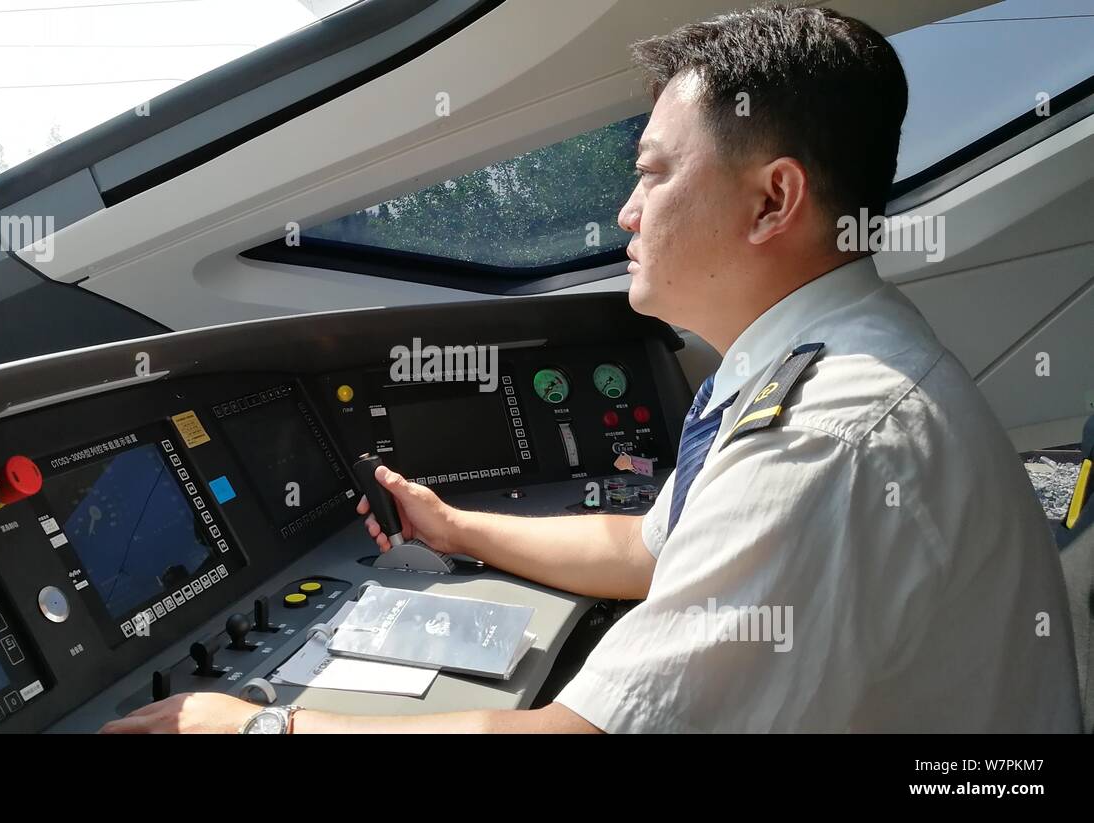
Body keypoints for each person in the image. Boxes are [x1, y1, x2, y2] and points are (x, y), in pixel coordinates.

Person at [101, 3, 1081, 734]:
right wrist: (456, 526)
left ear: (771, 202)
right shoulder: (819, 360)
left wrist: (256, 724)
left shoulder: (825, 438)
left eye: (652, 172)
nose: (626, 211)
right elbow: (650, 551)